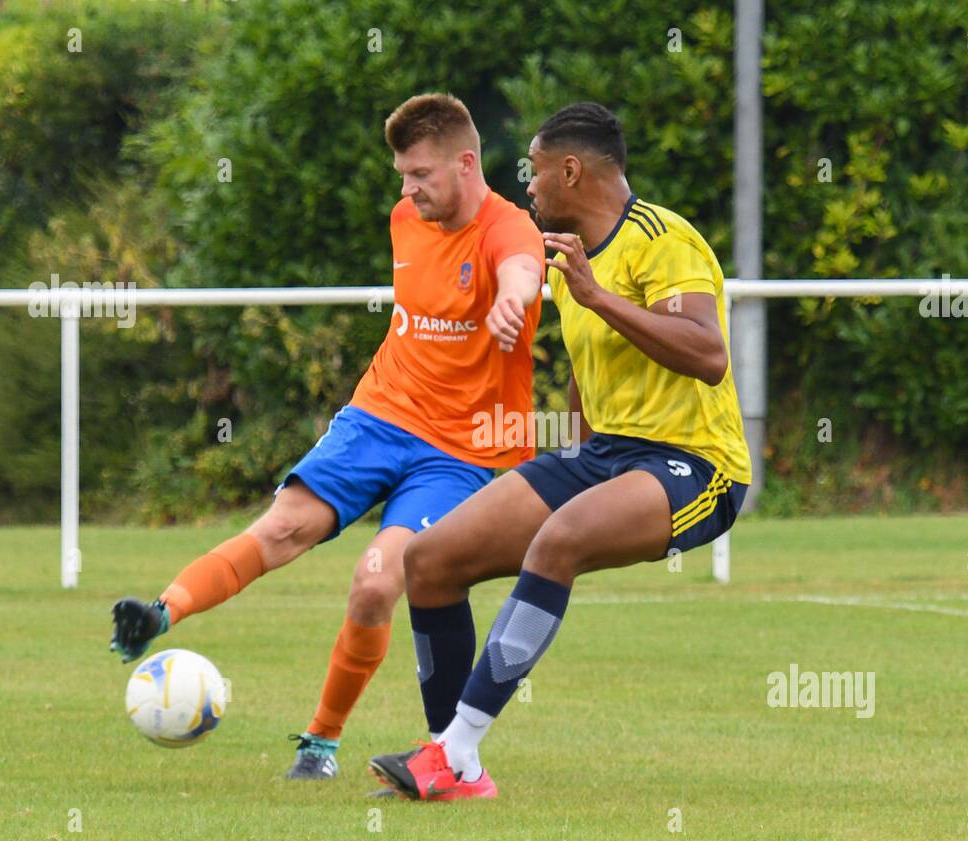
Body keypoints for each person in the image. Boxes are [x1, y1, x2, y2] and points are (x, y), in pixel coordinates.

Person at [108, 93, 545, 781]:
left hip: (456, 453)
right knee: (283, 527)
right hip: (376, 416)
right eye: (402, 173)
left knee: (376, 583)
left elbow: (522, 271)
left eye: (421, 173)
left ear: (466, 164)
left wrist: (510, 303)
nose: (408, 189)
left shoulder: (507, 230)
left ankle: (320, 741)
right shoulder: (407, 218)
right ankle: (163, 613)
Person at [368, 102, 752, 801]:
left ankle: (453, 753)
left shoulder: (666, 241)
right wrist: (572, 463)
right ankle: (454, 766)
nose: (530, 190)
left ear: (572, 170)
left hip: (694, 463)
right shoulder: (568, 259)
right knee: (429, 560)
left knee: (559, 538)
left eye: (537, 174)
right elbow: (587, 373)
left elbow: (708, 355)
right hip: (605, 453)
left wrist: (598, 297)